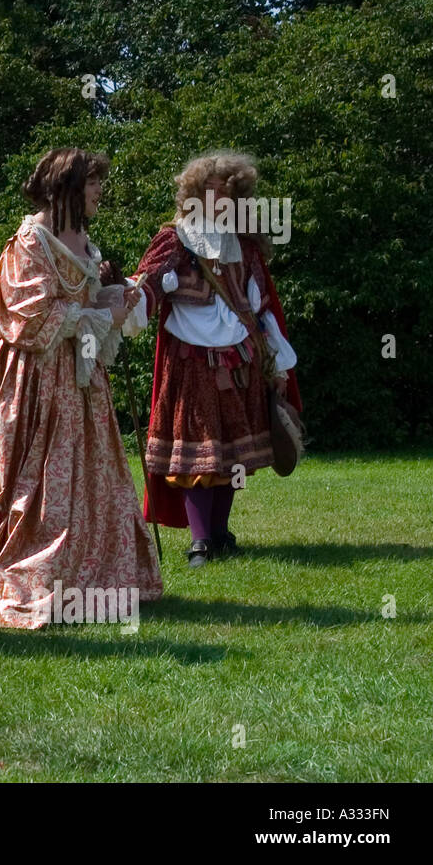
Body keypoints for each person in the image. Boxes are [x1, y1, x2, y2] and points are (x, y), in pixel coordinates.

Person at [0, 148, 162, 628]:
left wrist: (116, 297)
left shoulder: (83, 241)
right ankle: (29, 575)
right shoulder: (30, 242)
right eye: (92, 183)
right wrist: (98, 315)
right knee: (38, 478)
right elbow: (30, 317)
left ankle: (92, 580)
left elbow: (83, 304)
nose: (99, 192)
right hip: (34, 375)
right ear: (67, 187)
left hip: (79, 374)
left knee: (89, 474)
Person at [133, 151, 300, 566]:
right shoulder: (175, 238)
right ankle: (200, 540)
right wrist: (124, 300)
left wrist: (276, 365)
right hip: (189, 362)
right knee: (194, 455)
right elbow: (146, 286)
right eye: (211, 190)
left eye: (228, 191)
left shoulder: (244, 246)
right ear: (193, 193)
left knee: (232, 454)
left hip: (240, 361)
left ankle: (221, 534)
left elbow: (261, 312)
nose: (220, 198)